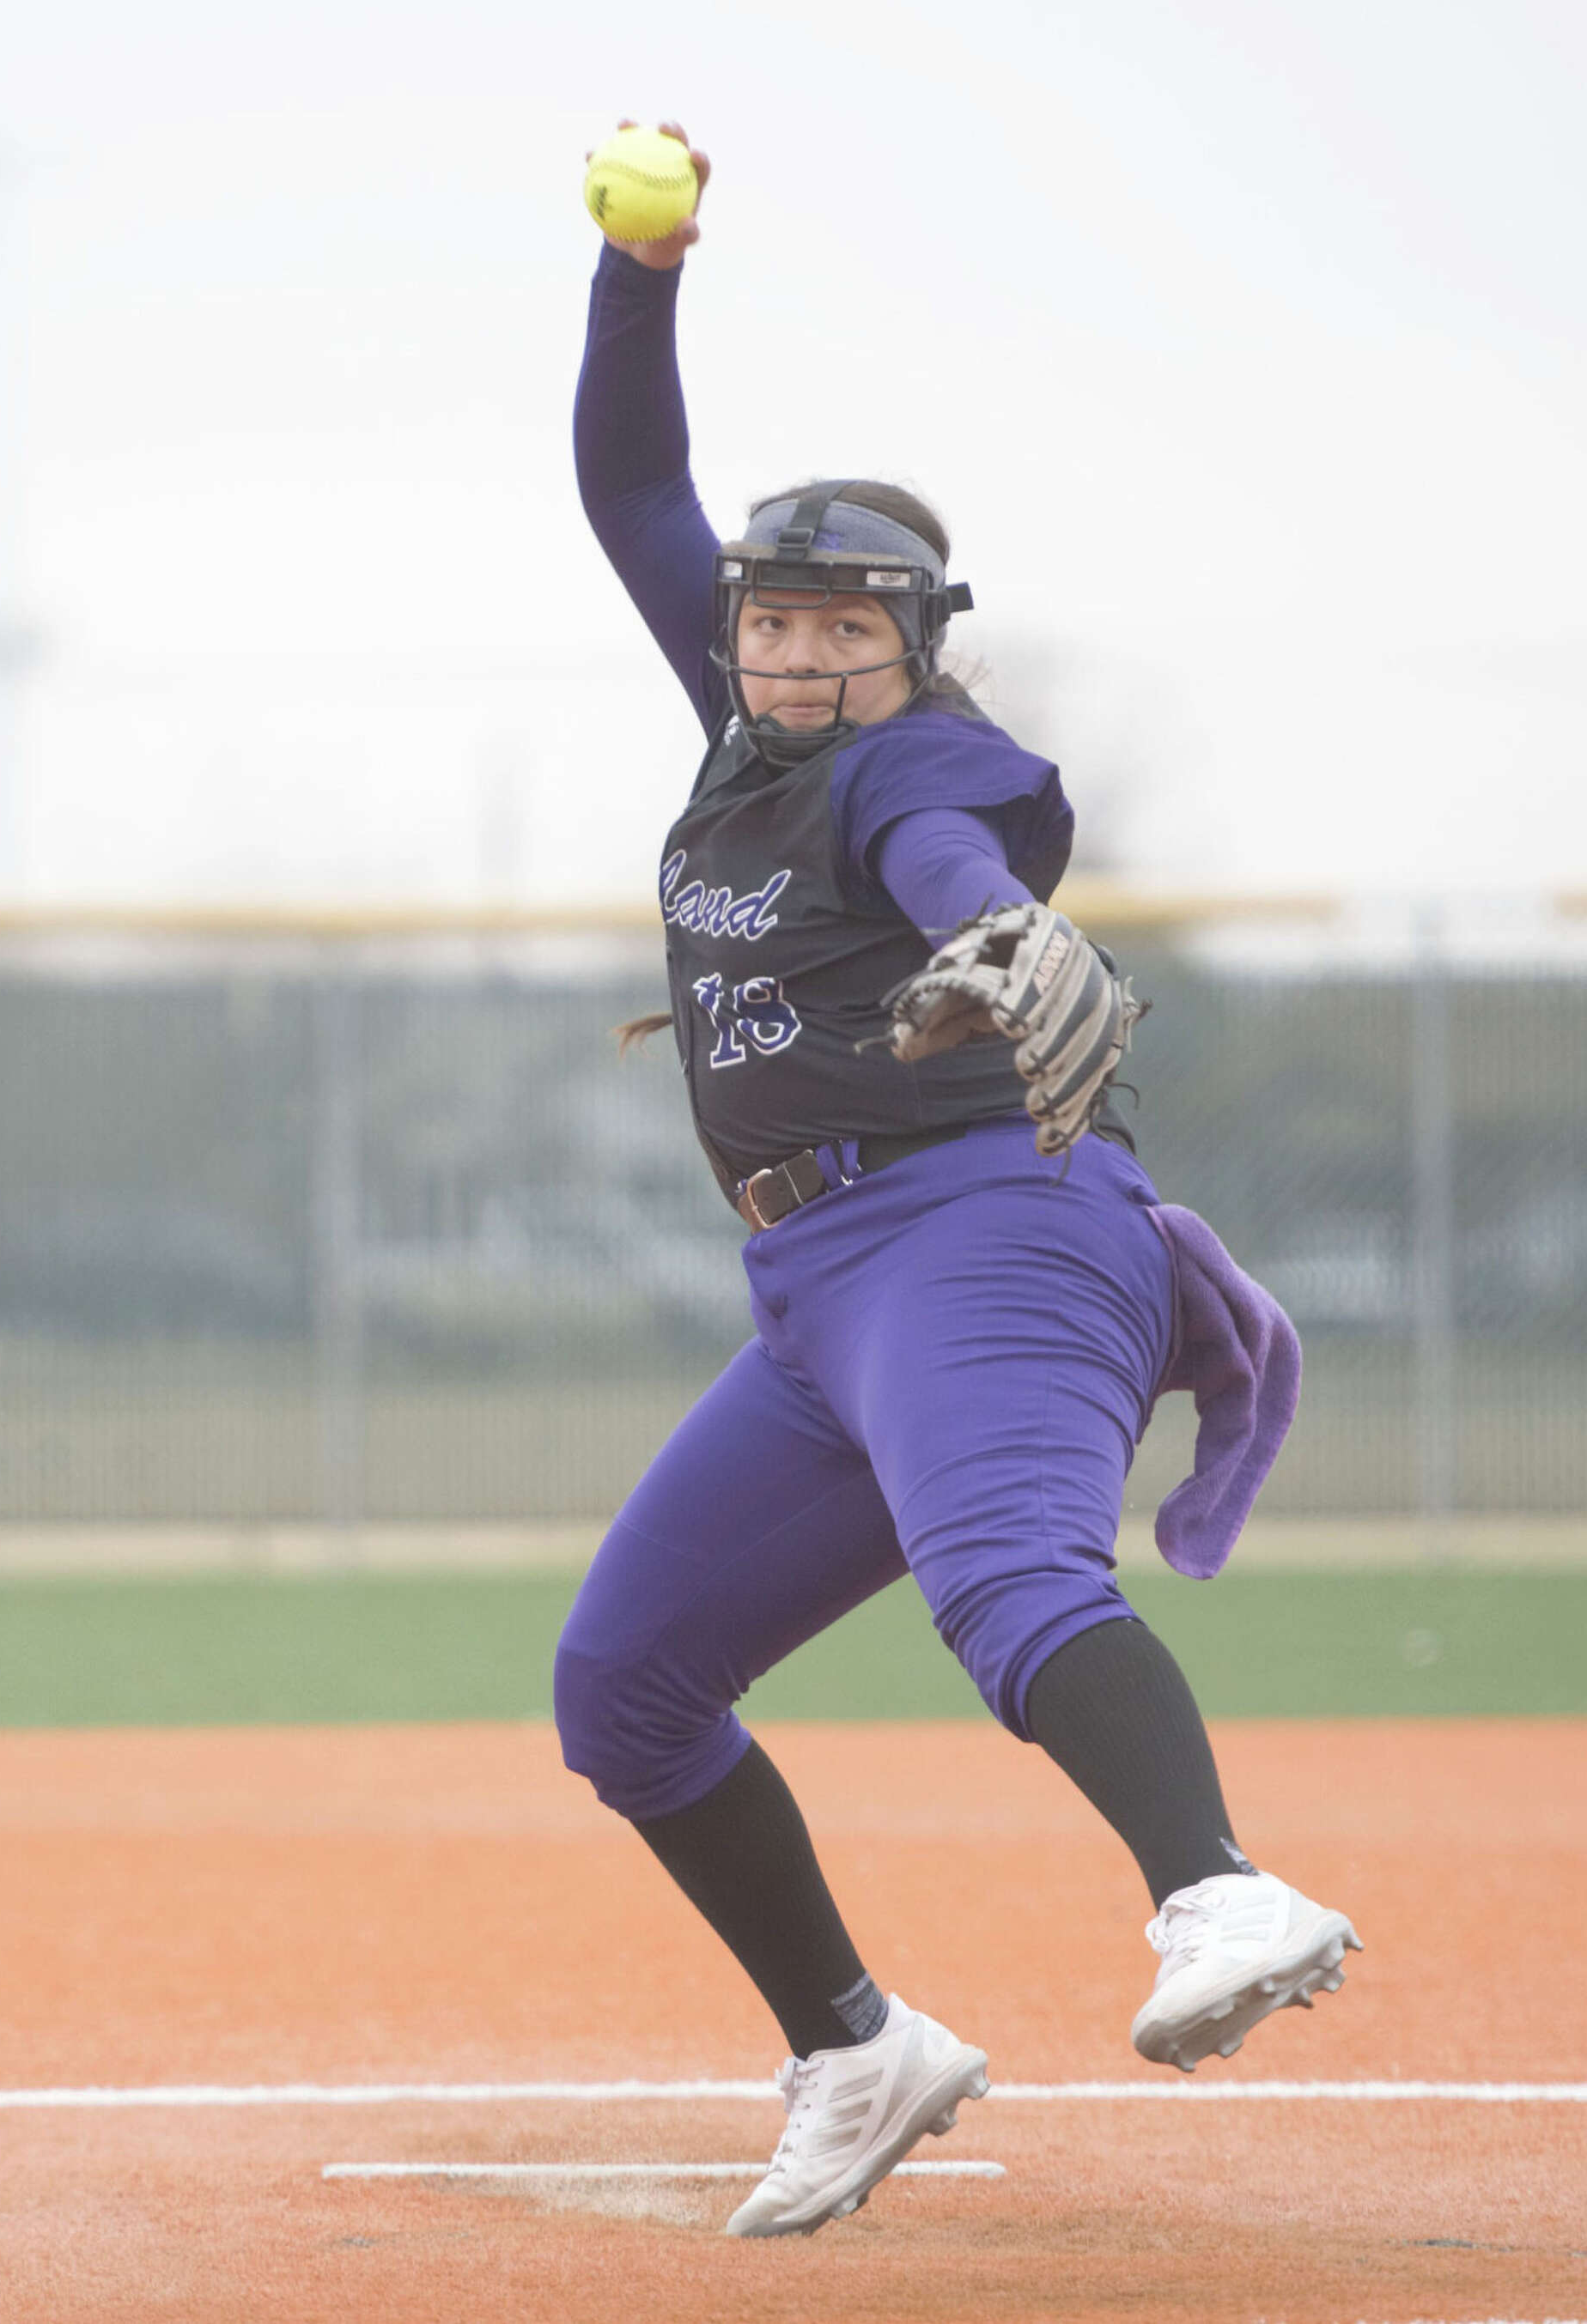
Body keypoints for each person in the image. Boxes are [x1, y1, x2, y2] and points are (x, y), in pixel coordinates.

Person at [552, 124, 1360, 2242]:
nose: (806, 657)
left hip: (990, 1227)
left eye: (850, 629)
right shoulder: (746, 731)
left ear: (921, 645)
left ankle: (1220, 1889)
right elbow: (632, 491)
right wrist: (642, 276)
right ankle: (858, 2041)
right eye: (778, 620)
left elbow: (945, 859)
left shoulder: (924, 767)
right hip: (820, 1282)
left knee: (1011, 1589)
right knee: (625, 1689)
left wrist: (993, 923)